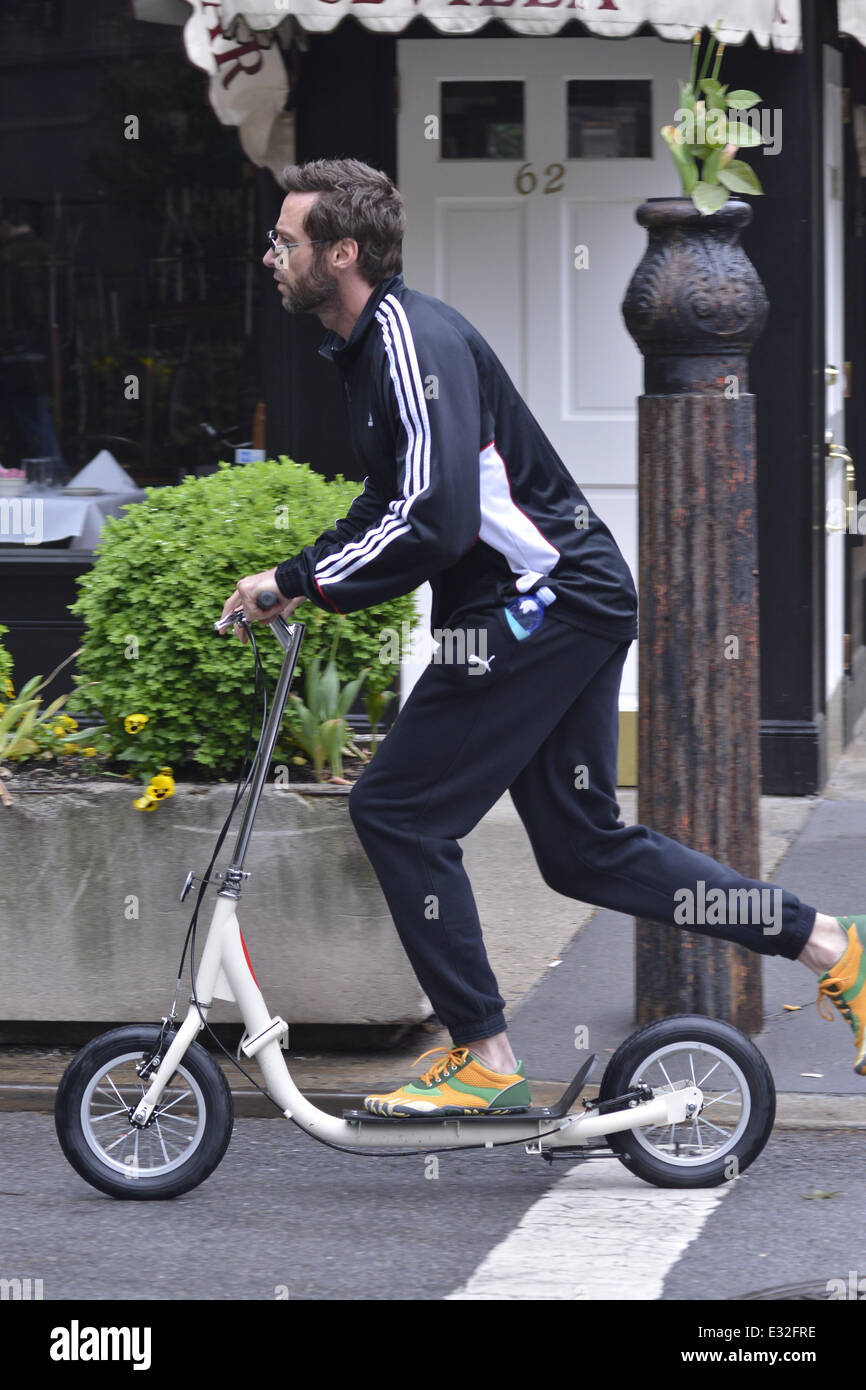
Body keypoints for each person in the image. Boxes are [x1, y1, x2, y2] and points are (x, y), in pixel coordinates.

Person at [220, 158, 864, 1117]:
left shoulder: (406, 337)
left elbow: (432, 520)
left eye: (286, 238)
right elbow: (395, 498)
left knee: (399, 811)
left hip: (539, 603)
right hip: (569, 596)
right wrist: (300, 580)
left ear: (341, 252)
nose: (271, 254)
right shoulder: (377, 347)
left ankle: (483, 1055)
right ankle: (836, 949)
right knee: (582, 850)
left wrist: (302, 578)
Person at [0, 202, 67, 476]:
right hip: (47, 345)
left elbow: (8, 309)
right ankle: (55, 476)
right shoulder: (49, 253)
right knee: (36, 416)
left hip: (14, 347)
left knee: (30, 415)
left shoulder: (8, 257)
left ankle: (50, 474)